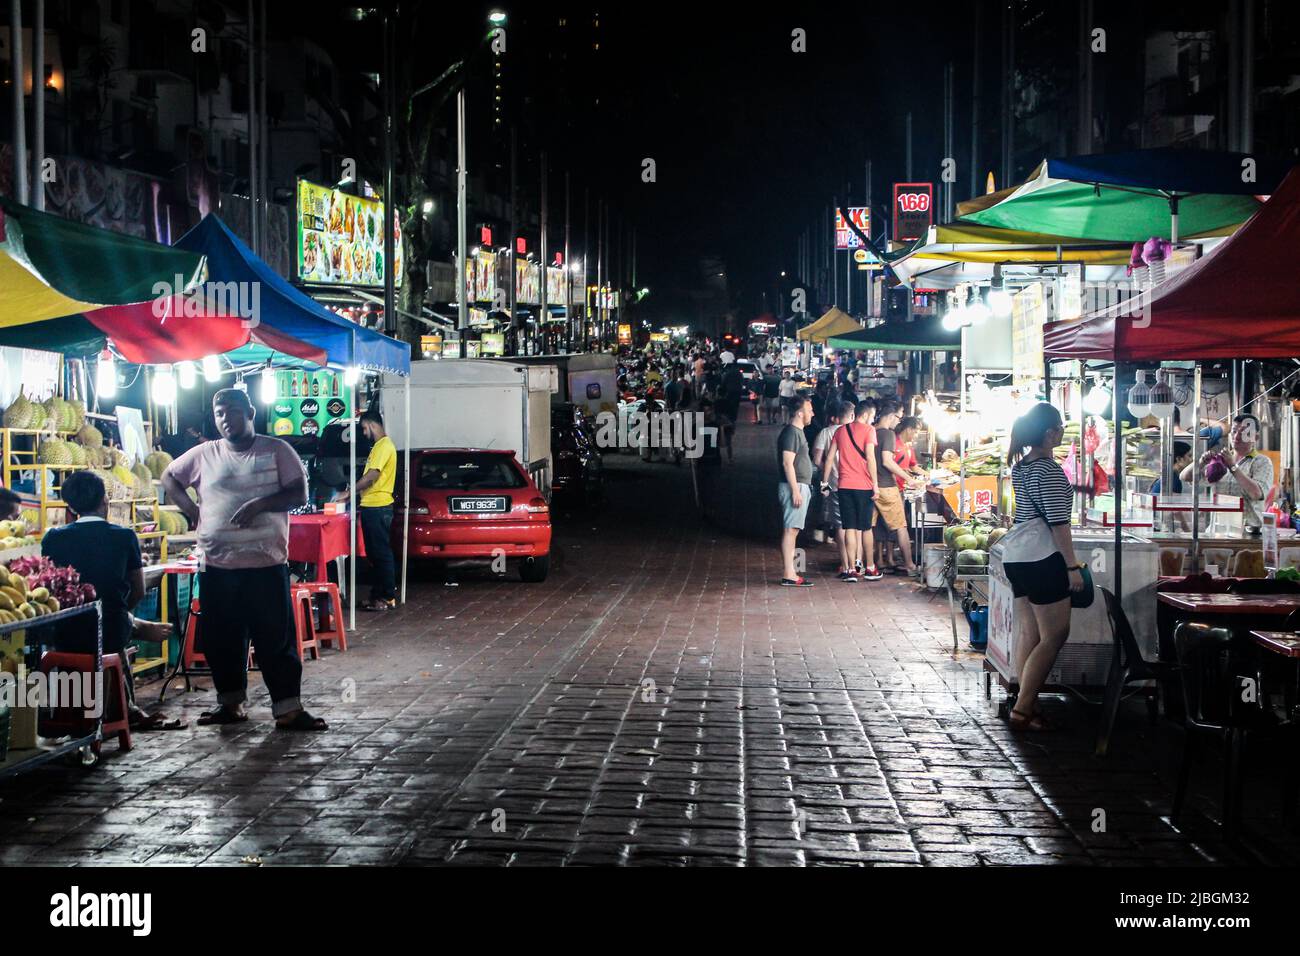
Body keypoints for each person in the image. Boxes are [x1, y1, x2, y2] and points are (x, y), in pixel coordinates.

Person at [162, 388, 328, 731]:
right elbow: (170, 478)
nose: (226, 418)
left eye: (233, 411)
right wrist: (192, 510)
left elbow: (299, 492)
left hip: (265, 565)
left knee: (275, 640)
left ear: (250, 411)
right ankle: (231, 705)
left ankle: (288, 709)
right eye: (219, 412)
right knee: (223, 639)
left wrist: (260, 504)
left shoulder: (277, 450)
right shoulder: (205, 454)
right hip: (217, 565)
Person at [43, 471, 182, 730]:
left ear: (70, 507)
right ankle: (123, 707)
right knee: (115, 623)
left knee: (91, 629)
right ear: (105, 500)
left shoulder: (53, 538)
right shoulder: (124, 536)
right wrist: (119, 612)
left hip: (66, 630)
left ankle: (80, 714)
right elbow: (138, 590)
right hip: (111, 628)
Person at [1000, 402, 1085, 733]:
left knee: (1030, 632)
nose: (1063, 431)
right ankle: (1022, 708)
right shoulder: (1048, 471)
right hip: (1041, 557)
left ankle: (1028, 701)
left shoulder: (1022, 467)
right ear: (1050, 433)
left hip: (1017, 555)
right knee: (1055, 634)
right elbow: (1058, 523)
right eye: (1061, 427)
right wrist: (1072, 566)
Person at [334, 408, 397, 610]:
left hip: (379, 506)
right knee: (374, 554)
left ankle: (387, 597)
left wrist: (348, 493)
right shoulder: (379, 446)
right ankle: (377, 595)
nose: (363, 433)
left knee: (381, 553)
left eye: (363, 428)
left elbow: (372, 476)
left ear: (371, 424)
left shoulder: (383, 446)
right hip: (372, 506)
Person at [1181, 414, 1273, 530]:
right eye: (1234, 431)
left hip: (1247, 532)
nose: (1237, 436)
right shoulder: (1219, 460)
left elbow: (1256, 493)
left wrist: (1232, 467)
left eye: (1245, 433)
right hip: (1218, 531)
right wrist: (1201, 462)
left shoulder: (1261, 462)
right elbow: (1184, 476)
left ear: (1256, 437)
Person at [824, 400, 882, 582]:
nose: (872, 420)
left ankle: (850, 570)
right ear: (864, 415)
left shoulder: (840, 431)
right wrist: (875, 483)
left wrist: (824, 482)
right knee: (865, 528)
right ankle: (870, 568)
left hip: (844, 486)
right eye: (872, 416)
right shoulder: (869, 431)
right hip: (863, 486)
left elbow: (829, 457)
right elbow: (871, 459)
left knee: (849, 527)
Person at [872, 401, 920, 576]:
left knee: (869, 528)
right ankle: (909, 564)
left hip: (870, 486)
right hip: (886, 485)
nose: (898, 422)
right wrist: (909, 478)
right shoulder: (889, 435)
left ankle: (868, 564)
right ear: (891, 416)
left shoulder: (870, 431)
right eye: (898, 418)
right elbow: (887, 461)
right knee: (900, 526)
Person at [777, 396, 816, 587]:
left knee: (793, 530)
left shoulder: (797, 432)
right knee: (790, 530)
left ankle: (790, 571)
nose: (812, 414)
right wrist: (795, 490)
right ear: (800, 413)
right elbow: (787, 463)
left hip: (799, 485)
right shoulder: (792, 433)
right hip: (795, 485)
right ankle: (789, 573)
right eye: (809, 410)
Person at [811, 401, 850, 564]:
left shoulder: (825, 433)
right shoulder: (854, 432)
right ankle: (856, 561)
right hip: (855, 483)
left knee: (835, 518)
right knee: (853, 525)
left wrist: (826, 471)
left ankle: (844, 561)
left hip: (832, 482)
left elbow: (816, 459)